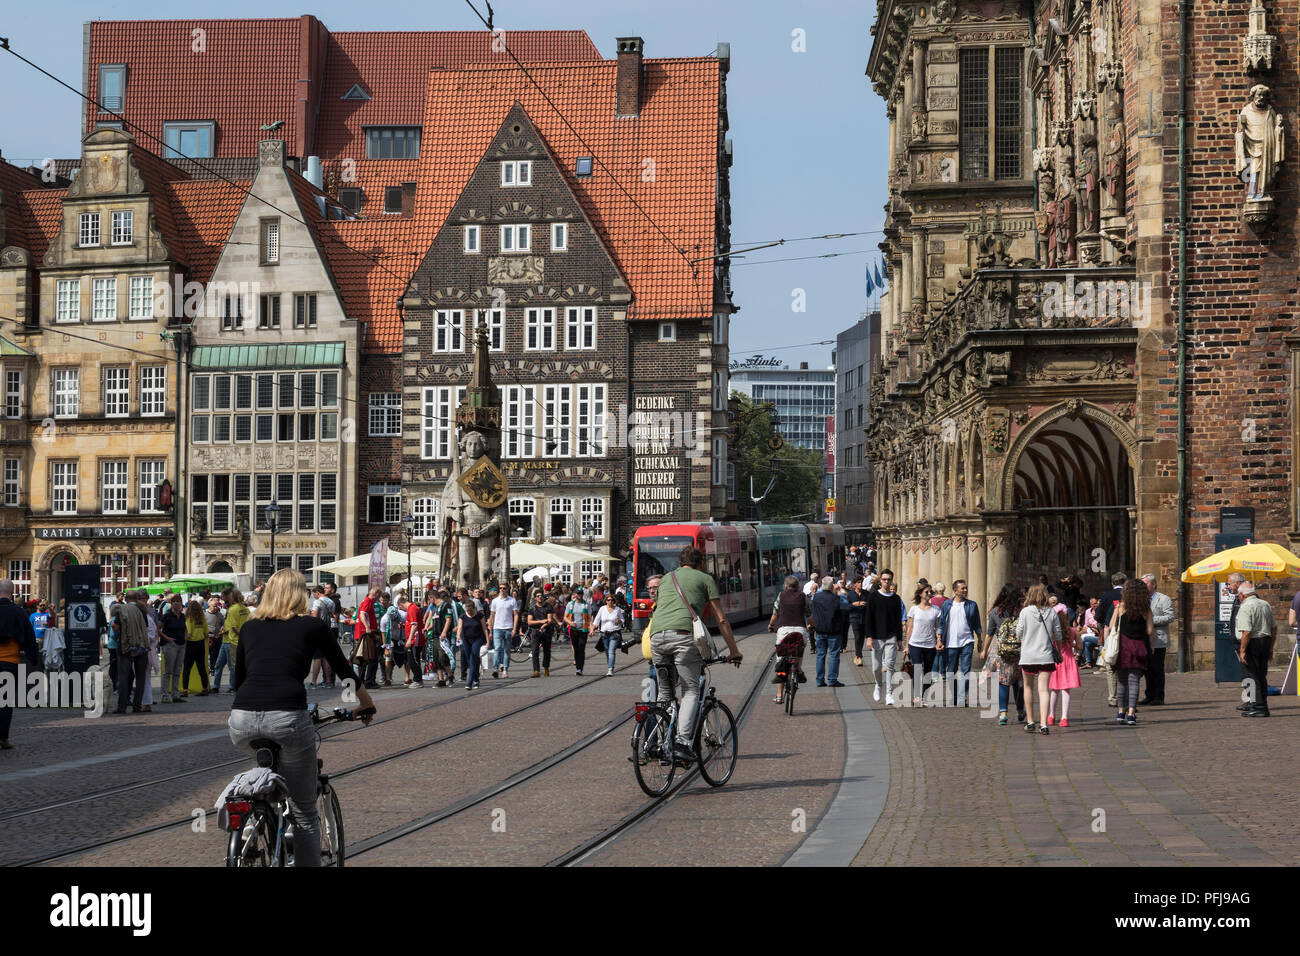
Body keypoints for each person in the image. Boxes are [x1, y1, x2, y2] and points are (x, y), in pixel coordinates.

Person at [229, 568, 375, 867]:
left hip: (241, 720)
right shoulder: (311, 626)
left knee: (264, 765)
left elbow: (241, 679)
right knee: (304, 812)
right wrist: (364, 704)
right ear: (301, 593)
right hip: (287, 717)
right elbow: (344, 671)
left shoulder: (249, 627)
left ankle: (252, 821)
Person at [646, 546, 742, 766]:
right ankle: (681, 744)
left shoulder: (667, 578)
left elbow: (659, 609)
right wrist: (734, 651)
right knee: (690, 690)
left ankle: (661, 743)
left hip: (656, 638)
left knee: (665, 691)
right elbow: (721, 619)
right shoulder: (705, 578)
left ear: (680, 563)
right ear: (700, 563)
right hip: (682, 637)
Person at [1016, 582, 1063, 735]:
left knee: (1028, 687)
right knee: (1043, 690)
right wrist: (1059, 650)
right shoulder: (1051, 612)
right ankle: (1043, 723)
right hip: (1046, 655)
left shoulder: (1025, 612)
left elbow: (1019, 633)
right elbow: (1058, 633)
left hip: (1028, 655)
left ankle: (1030, 721)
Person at [0, 579, 41, 747]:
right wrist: (34, 659)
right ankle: (3, 737)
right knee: (5, 701)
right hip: (10, 661)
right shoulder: (18, 612)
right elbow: (30, 638)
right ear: (12, 592)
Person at [982, 585, 1025, 725]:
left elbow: (989, 633)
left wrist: (984, 650)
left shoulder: (995, 611)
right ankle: (1020, 710)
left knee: (1003, 682)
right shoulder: (1021, 611)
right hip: (1019, 651)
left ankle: (1003, 713)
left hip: (1002, 651)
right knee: (1018, 682)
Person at [1113, 578, 1153, 726]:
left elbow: (1112, 627)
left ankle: (1120, 712)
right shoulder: (1146, 609)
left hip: (1123, 646)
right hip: (1139, 646)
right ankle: (1131, 713)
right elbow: (1149, 631)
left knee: (1122, 680)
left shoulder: (1121, 607)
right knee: (1134, 681)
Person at [936, 579, 982, 707]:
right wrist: (939, 639)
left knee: (966, 671)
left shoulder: (972, 605)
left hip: (967, 641)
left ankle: (962, 697)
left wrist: (979, 640)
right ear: (955, 591)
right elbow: (941, 624)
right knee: (951, 671)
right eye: (962, 588)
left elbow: (977, 624)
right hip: (951, 643)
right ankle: (954, 695)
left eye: (966, 588)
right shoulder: (947, 605)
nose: (965, 590)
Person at [768, 575, 811, 705]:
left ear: (786, 586)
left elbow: (775, 613)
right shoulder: (803, 596)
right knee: (800, 649)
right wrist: (811, 625)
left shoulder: (781, 596)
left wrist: (771, 625)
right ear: (798, 586)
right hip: (800, 630)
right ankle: (798, 669)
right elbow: (809, 614)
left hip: (784, 631)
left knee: (781, 660)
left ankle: (779, 695)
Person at [1236, 580, 1276, 718]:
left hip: (1252, 642)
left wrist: (1242, 650)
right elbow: (1274, 628)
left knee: (1249, 676)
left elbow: (1246, 632)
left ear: (1242, 595)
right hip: (1265, 641)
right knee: (1261, 675)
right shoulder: (1265, 604)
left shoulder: (1246, 607)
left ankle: (1258, 706)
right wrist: (1271, 647)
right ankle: (1261, 704)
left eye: (1238, 594)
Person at [865, 568, 905, 703]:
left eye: (889, 580)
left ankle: (889, 693)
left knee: (889, 665)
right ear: (880, 581)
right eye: (884, 579)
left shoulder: (896, 598)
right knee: (876, 667)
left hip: (891, 636)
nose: (887, 582)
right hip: (876, 636)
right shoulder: (873, 596)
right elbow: (868, 618)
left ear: (892, 581)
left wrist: (900, 640)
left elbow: (898, 619)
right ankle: (878, 685)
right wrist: (869, 637)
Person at [111, 590, 150, 714]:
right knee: (140, 677)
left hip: (125, 646)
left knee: (123, 677)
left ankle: (122, 706)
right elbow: (146, 626)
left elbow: (115, 626)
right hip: (141, 646)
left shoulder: (122, 609)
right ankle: (137, 705)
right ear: (137, 598)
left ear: (126, 599)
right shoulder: (142, 610)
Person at [1140, 574, 1174, 705]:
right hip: (1145, 639)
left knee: (1157, 668)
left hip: (1158, 639)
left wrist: (1150, 620)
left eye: (1146, 583)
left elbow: (1170, 617)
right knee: (1147, 668)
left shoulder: (1163, 599)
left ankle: (1159, 696)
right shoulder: (1141, 599)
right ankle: (1149, 694)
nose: (1144, 586)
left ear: (1153, 584)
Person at [905, 583, 940, 706]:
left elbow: (937, 628)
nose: (929, 594)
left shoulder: (936, 610)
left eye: (931, 592)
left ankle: (924, 697)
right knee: (917, 669)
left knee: (928, 671)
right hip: (915, 643)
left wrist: (939, 641)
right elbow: (910, 628)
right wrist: (906, 645)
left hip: (930, 644)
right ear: (920, 594)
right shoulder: (914, 609)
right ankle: (916, 697)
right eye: (927, 592)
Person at [1046, 607, 1080, 727]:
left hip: (1056, 661)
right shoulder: (1073, 631)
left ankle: (1051, 716)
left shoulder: (1052, 632)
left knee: (1054, 689)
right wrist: (1073, 644)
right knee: (1066, 690)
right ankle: (1064, 717)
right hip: (1069, 661)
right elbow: (1080, 647)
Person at [1097, 571, 1126, 707]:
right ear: (1125, 582)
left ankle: (1113, 697)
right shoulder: (1129, 596)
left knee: (1111, 668)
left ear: (1112, 583)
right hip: (1128, 636)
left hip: (1111, 635)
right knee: (1125, 669)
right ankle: (1125, 698)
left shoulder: (1106, 595)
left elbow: (1099, 617)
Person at [811, 577, 843, 688]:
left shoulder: (816, 597)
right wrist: (839, 592)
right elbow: (847, 606)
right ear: (831, 586)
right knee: (834, 655)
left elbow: (812, 611)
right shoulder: (835, 598)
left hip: (820, 630)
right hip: (833, 630)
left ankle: (820, 680)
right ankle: (832, 680)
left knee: (820, 655)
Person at [212, 590, 246, 694]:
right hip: (228, 641)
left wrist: (223, 632)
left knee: (230, 666)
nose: (221, 598)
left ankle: (232, 687)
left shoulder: (232, 609)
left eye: (223, 596)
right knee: (220, 664)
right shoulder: (245, 610)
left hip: (231, 641)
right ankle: (217, 686)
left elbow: (233, 627)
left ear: (231, 597)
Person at [158, 594, 187, 703]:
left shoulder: (183, 616)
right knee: (168, 670)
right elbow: (157, 628)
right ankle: (165, 694)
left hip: (181, 644)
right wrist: (166, 638)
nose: (176, 603)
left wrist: (185, 636)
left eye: (178, 601)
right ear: (171, 603)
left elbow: (184, 627)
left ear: (180, 603)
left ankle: (176, 694)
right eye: (174, 601)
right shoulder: (167, 615)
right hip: (170, 645)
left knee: (178, 670)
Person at [488, 586, 519, 679]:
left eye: (504, 588)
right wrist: (490, 629)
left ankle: (505, 669)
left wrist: (514, 629)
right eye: (500, 588)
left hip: (508, 628)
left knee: (506, 650)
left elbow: (516, 615)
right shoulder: (495, 601)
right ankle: (495, 669)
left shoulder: (512, 600)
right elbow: (492, 616)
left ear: (507, 590)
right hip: (497, 628)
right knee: (497, 648)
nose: (502, 589)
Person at [308, 586, 335, 689]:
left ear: (317, 593)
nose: (313, 596)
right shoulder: (330, 601)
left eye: (313, 594)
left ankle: (313, 682)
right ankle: (328, 681)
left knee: (317, 658)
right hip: (328, 631)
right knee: (326, 658)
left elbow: (314, 617)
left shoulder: (318, 602)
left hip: (318, 632)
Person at [183, 599, 212, 696]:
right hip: (200, 644)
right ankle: (205, 688)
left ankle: (185, 690)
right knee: (201, 668)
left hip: (191, 645)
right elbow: (206, 633)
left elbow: (188, 634)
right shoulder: (202, 618)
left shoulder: (189, 618)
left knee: (187, 668)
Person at [592, 593, 626, 676]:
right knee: (607, 651)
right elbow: (597, 620)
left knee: (611, 651)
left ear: (614, 601)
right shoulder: (602, 609)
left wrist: (620, 621)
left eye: (611, 600)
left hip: (615, 633)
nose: (610, 601)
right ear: (605, 601)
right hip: (604, 634)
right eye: (608, 600)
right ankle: (610, 666)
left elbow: (622, 619)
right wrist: (592, 630)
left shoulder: (617, 609)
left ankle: (610, 669)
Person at [458, 598, 488, 691]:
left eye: (471, 610)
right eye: (467, 610)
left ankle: (469, 682)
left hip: (477, 639)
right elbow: (459, 628)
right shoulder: (462, 616)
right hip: (466, 640)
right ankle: (476, 679)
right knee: (470, 660)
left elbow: (485, 629)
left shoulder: (480, 616)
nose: (469, 612)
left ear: (474, 608)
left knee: (473, 657)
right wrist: (458, 636)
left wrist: (488, 640)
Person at [565, 588, 593, 677]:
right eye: (578, 594)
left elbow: (589, 618)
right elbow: (565, 617)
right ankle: (578, 666)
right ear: (575, 594)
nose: (580, 595)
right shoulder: (570, 605)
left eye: (581, 594)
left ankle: (580, 668)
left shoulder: (586, 605)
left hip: (583, 630)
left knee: (581, 648)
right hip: (573, 630)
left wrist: (591, 628)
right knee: (576, 649)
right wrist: (570, 623)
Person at [526, 592, 554, 678]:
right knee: (535, 651)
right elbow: (529, 622)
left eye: (541, 596)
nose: (540, 597)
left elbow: (549, 620)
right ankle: (536, 670)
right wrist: (541, 622)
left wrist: (543, 626)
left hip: (546, 630)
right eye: (538, 596)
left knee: (547, 650)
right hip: (535, 631)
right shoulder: (532, 608)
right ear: (535, 598)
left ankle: (546, 668)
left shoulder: (548, 606)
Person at [848, 578, 869, 667]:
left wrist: (866, 604)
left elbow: (871, 605)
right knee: (857, 636)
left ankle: (858, 655)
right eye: (858, 582)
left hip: (864, 618)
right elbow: (846, 606)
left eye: (861, 582)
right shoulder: (850, 594)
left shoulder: (867, 593)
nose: (860, 584)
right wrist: (854, 604)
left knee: (862, 637)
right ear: (855, 584)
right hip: (854, 618)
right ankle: (859, 656)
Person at [1078, 597, 1101, 669]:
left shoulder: (1100, 612)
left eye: (1095, 603)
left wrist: (1094, 627)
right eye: (1092, 604)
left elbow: (1101, 627)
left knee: (1084, 638)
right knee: (1087, 643)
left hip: (1099, 635)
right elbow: (1086, 624)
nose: (1094, 605)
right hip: (1090, 631)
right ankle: (1088, 663)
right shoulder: (1088, 611)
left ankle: (1078, 655)